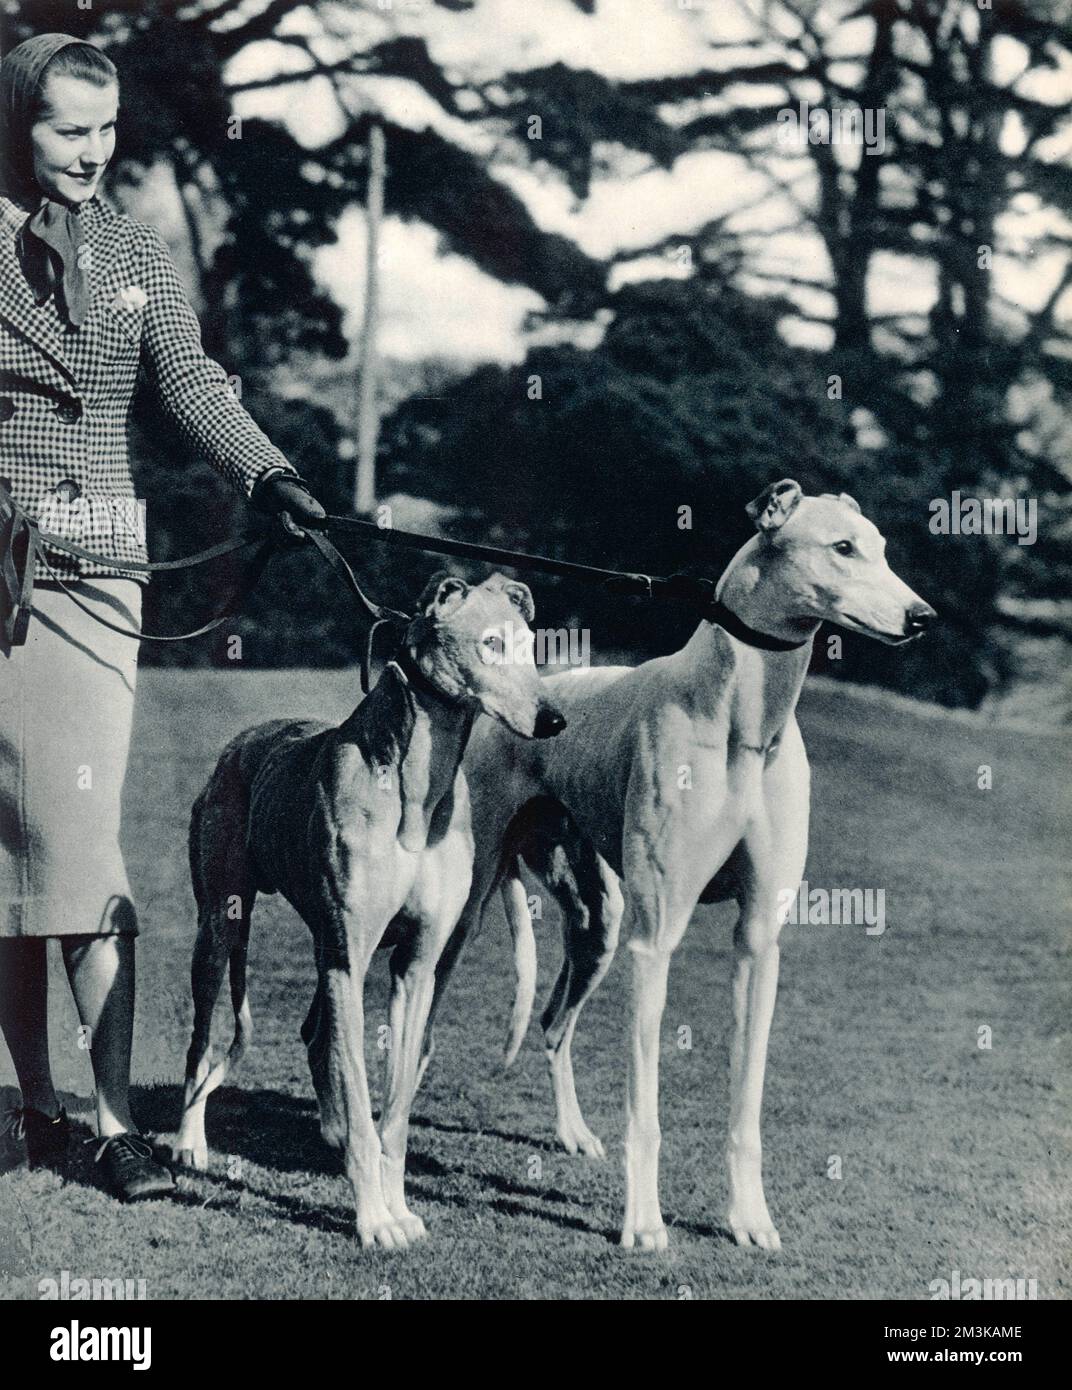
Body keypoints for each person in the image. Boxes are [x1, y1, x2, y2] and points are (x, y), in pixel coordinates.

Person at [0, 32, 326, 1199]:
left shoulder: (134, 250)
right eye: (64, 129)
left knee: (78, 840)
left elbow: (189, 380)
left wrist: (270, 476)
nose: (92, 153)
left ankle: (108, 1116)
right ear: (15, 123)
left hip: (93, 576)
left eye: (105, 128)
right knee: (13, 851)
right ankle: (36, 1111)